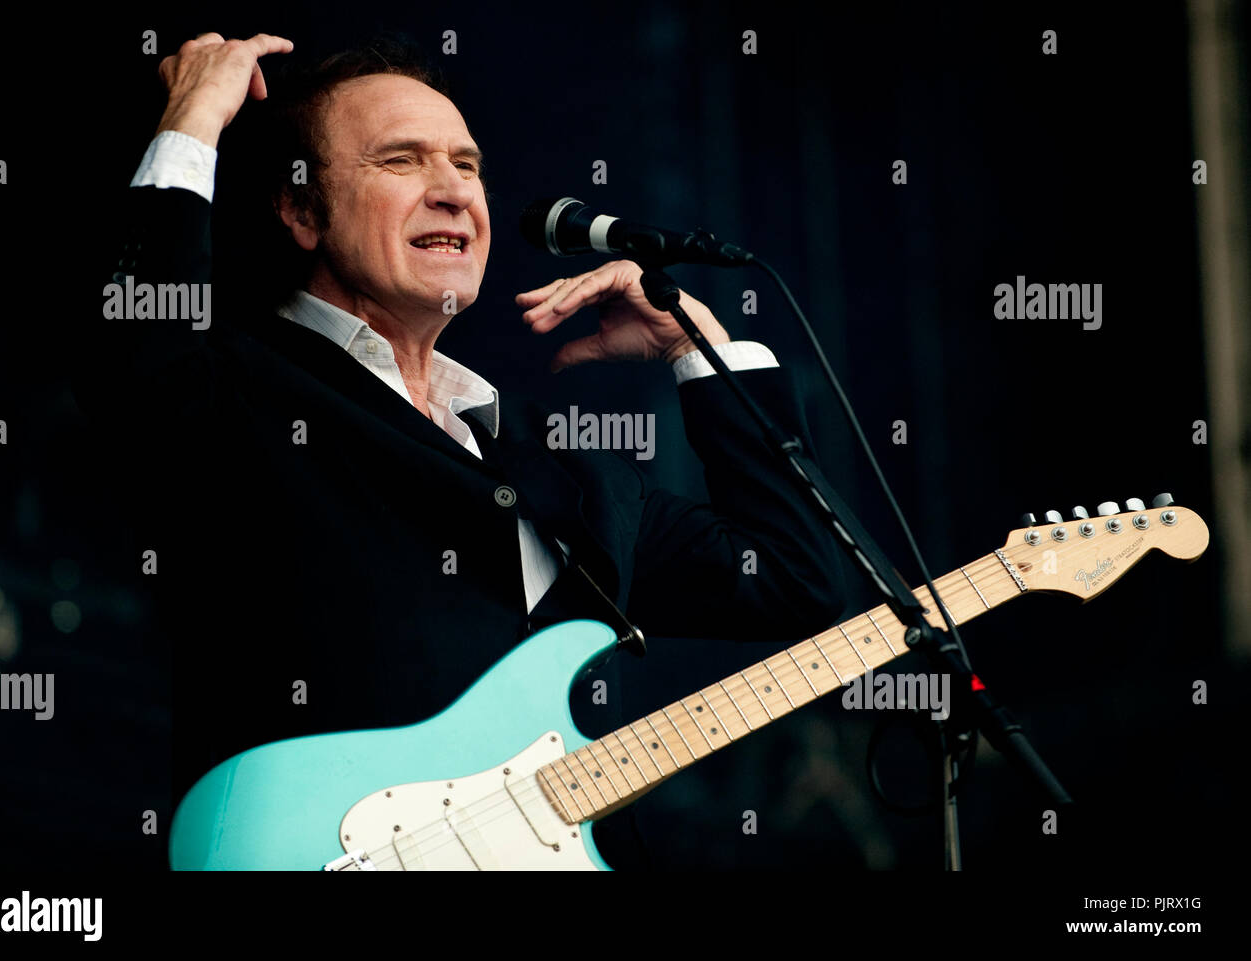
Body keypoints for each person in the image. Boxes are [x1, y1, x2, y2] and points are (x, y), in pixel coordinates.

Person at [74, 30, 847, 869]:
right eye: (401, 161)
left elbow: (793, 581)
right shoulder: (240, 389)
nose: (452, 192)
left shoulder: (565, 472)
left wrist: (700, 349)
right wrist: (193, 121)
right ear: (300, 209)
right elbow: (135, 352)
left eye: (468, 165)